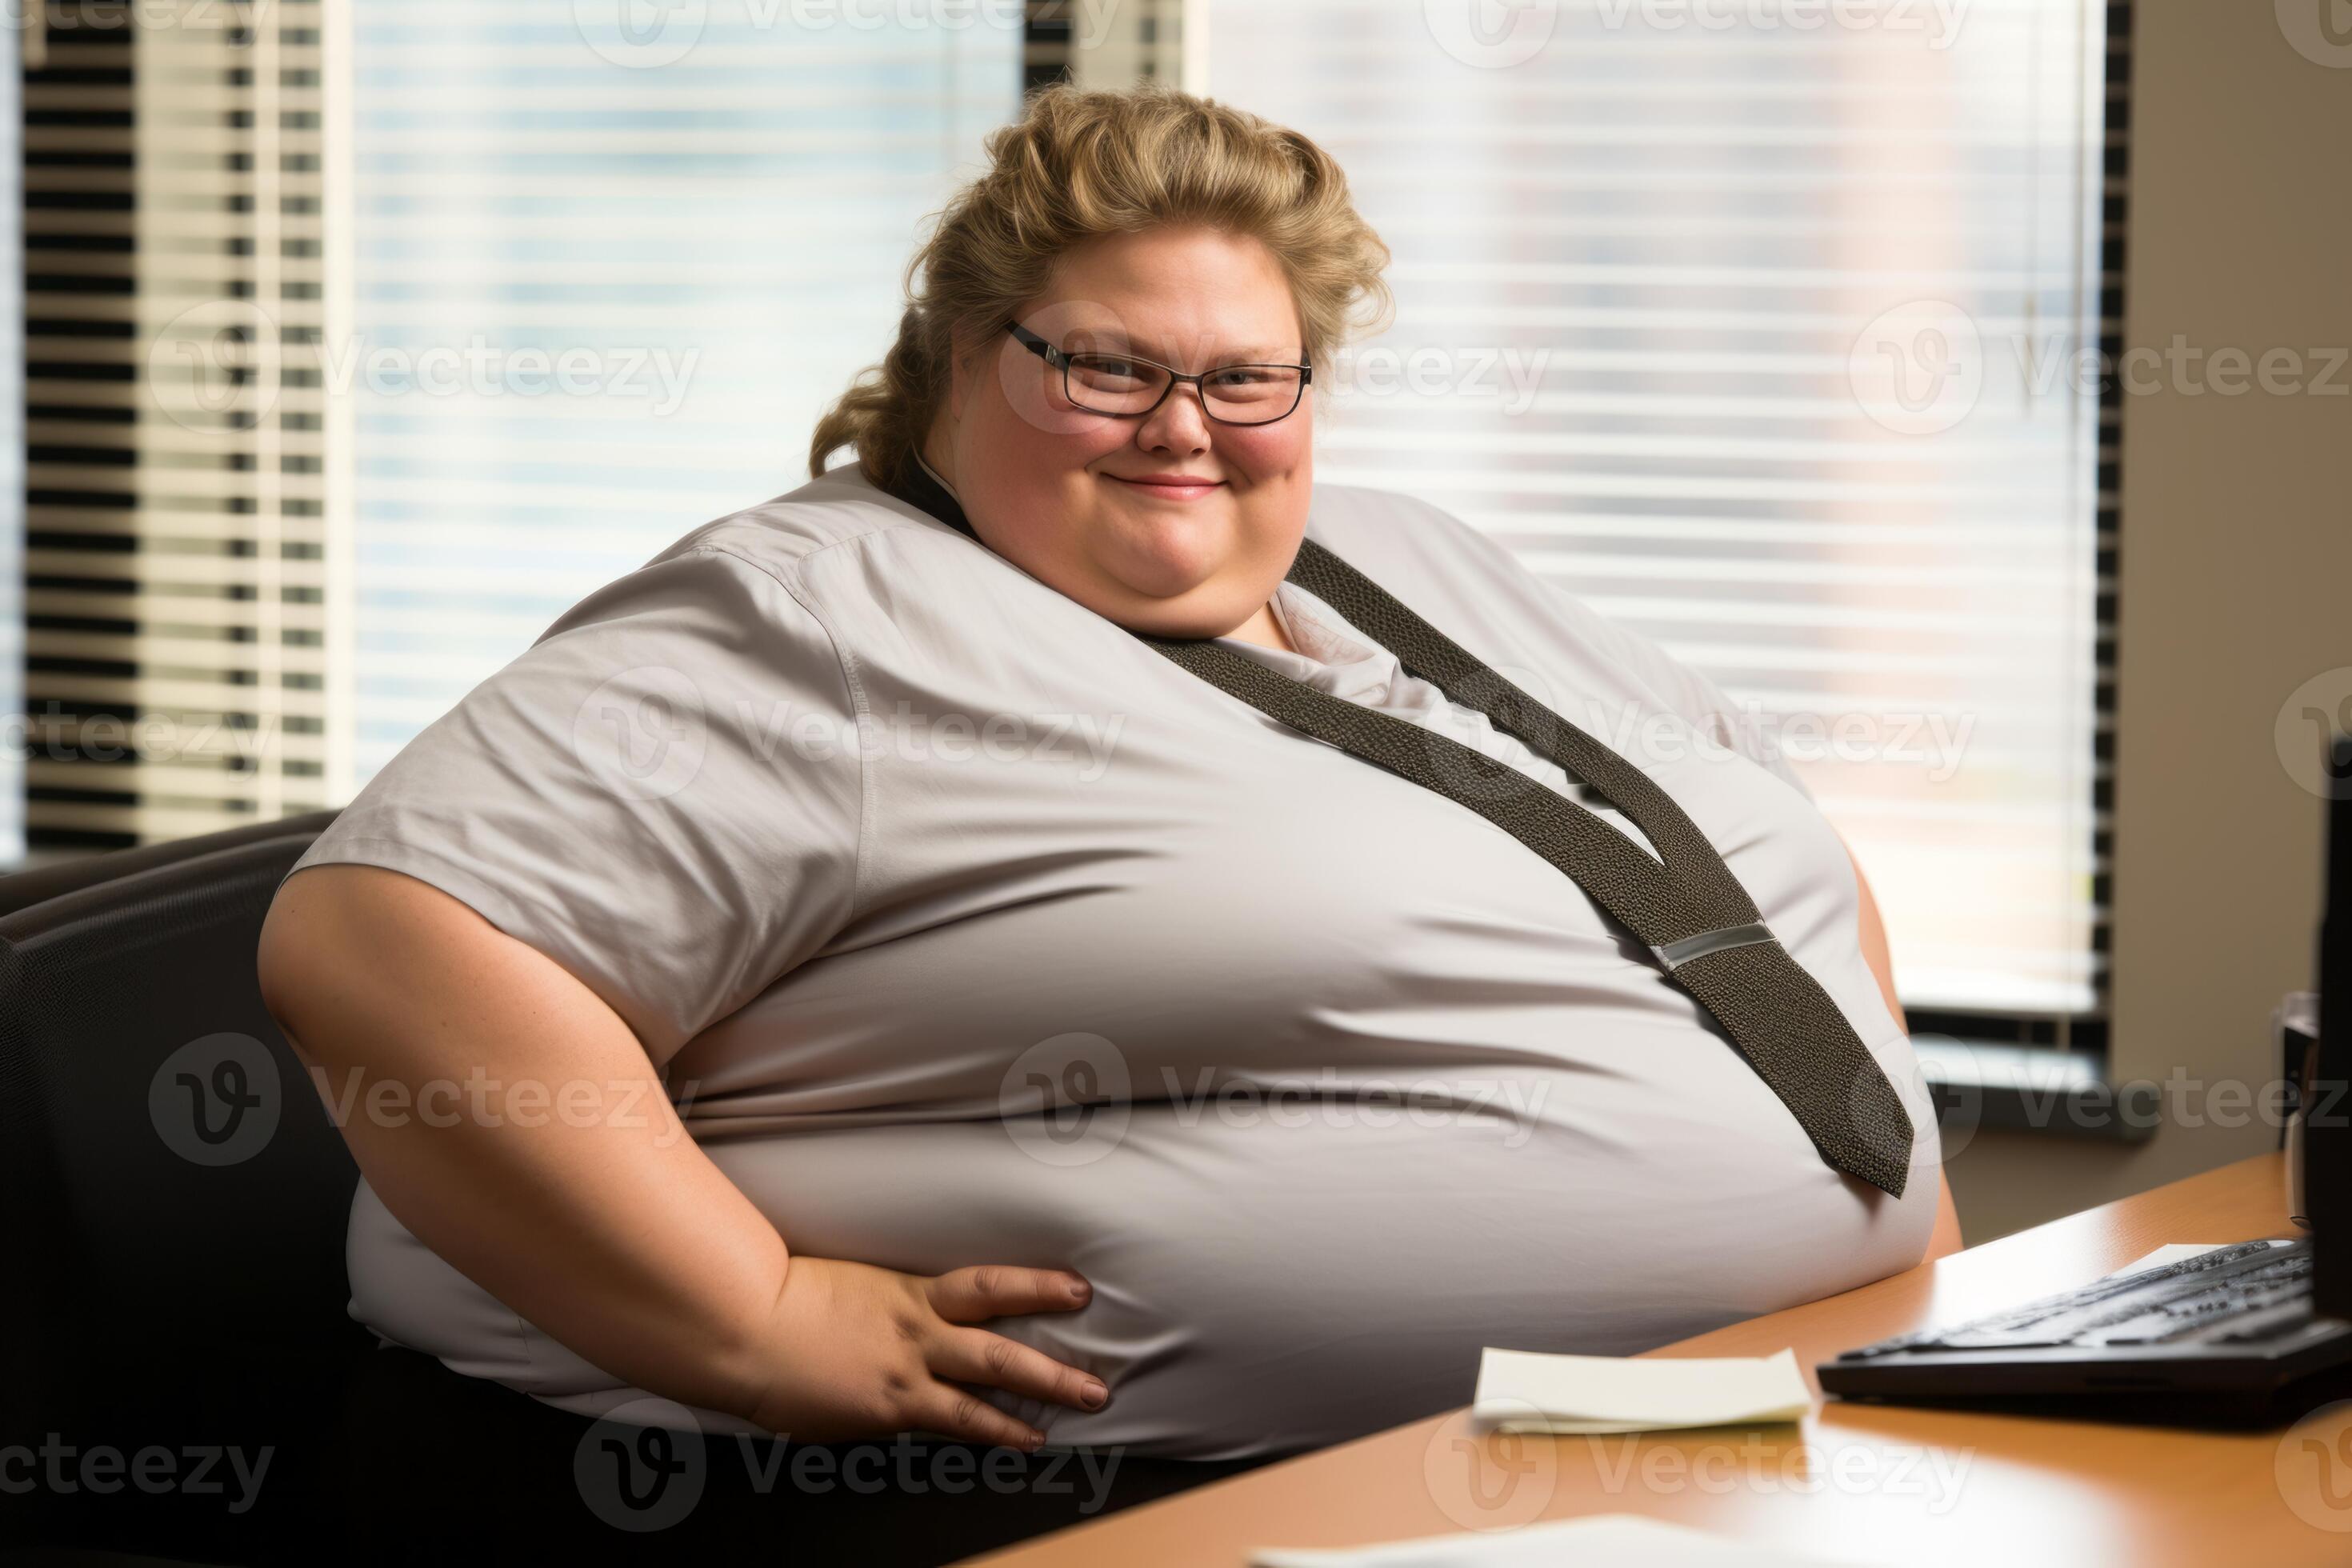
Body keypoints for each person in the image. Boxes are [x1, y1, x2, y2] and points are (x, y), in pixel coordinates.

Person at [257, 81, 1961, 1474]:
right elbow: (380, 948)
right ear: (956, 362)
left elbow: (1760, 831)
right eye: (1105, 367)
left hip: (1768, 1426)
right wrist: (754, 1319)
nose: (1183, 428)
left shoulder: (1407, 555)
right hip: (1064, 1509)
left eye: (1244, 376)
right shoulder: (826, 613)